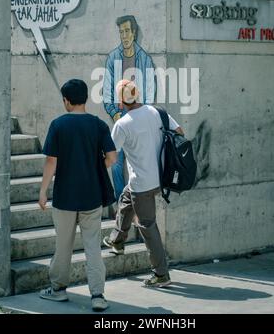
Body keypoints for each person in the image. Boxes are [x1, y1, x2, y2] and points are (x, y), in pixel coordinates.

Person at [38, 79, 117, 311]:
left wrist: (43, 191)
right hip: (92, 196)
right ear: (85, 98)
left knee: (63, 245)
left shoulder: (58, 125)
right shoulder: (98, 125)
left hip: (64, 197)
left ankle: (59, 290)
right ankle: (98, 296)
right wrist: (96, 167)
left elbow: (52, 161)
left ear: (67, 100)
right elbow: (113, 158)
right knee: (93, 246)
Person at [103, 79, 183, 288]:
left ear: (121, 102)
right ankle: (117, 241)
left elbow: (111, 156)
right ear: (137, 96)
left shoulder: (123, 124)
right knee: (126, 198)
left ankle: (161, 274)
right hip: (161, 178)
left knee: (147, 226)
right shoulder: (156, 112)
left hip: (143, 184)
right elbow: (180, 132)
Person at [103, 15, 155, 201]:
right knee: (116, 161)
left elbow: (149, 93)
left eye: (127, 31)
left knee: (139, 159)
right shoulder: (113, 58)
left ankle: (137, 198)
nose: (124, 36)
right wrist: (115, 114)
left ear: (134, 33)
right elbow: (107, 93)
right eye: (121, 32)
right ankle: (120, 201)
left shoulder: (145, 59)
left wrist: (139, 114)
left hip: (139, 113)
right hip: (119, 115)